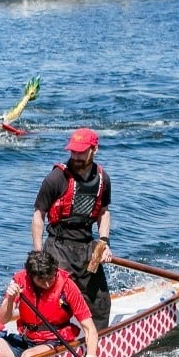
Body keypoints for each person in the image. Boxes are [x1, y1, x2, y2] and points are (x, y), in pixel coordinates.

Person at [32, 127, 113, 328]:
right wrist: (38, 253)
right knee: (54, 301)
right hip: (58, 247)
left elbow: (103, 212)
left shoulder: (103, 179)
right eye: (73, 151)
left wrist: (103, 244)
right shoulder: (56, 179)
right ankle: (48, 339)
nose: (76, 156)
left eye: (81, 152)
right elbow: (38, 215)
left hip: (88, 246)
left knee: (100, 303)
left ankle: (98, 339)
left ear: (94, 150)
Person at [0, 250, 101, 357]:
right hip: (26, 338)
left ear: (55, 270)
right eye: (41, 280)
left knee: (27, 356)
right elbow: (2, 320)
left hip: (54, 340)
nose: (47, 284)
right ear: (31, 276)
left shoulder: (68, 286)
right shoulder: (20, 281)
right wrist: (10, 299)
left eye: (50, 278)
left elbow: (90, 328)